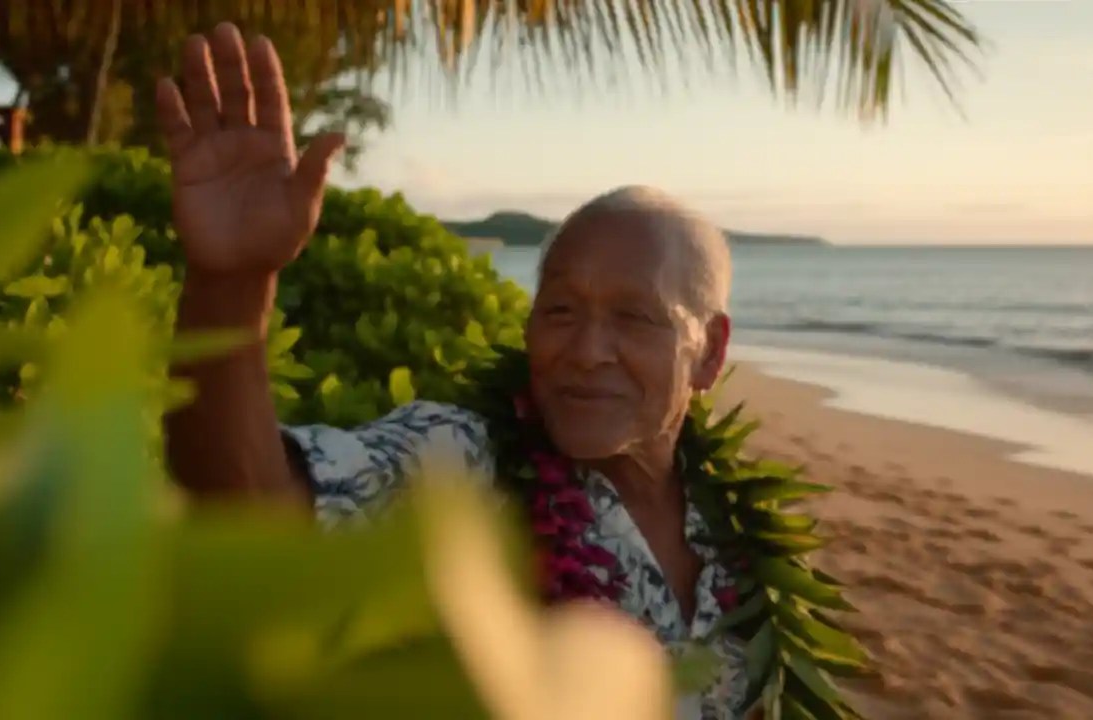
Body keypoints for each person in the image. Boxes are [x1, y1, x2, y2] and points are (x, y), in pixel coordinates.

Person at [159, 23, 754, 719]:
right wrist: (231, 282)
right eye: (560, 311)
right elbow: (247, 508)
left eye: (635, 317)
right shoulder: (463, 466)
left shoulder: (738, 530)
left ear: (709, 352)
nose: (587, 350)